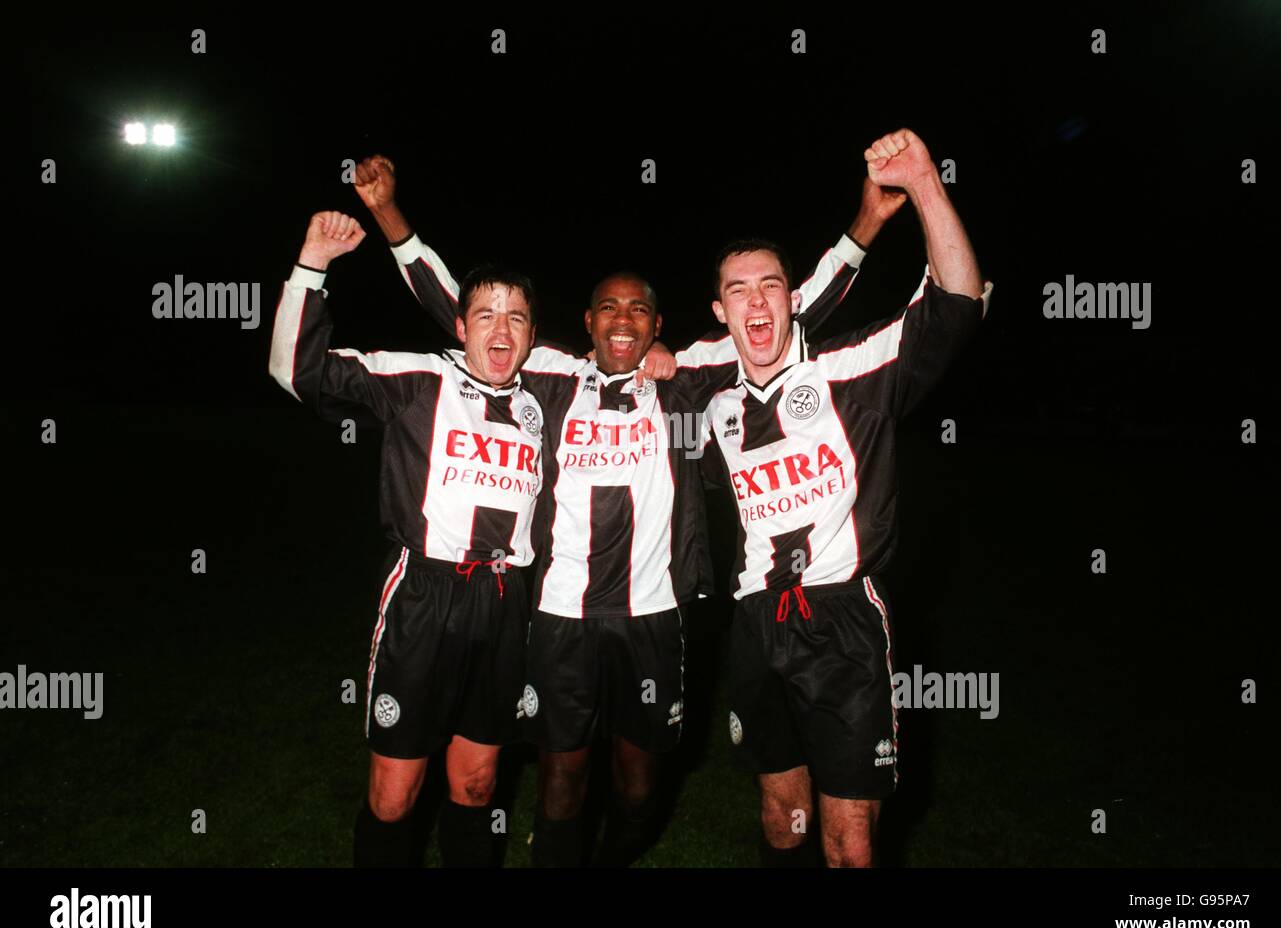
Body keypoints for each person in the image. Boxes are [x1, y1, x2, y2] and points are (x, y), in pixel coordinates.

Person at [352, 155, 898, 865]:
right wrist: (390, 214)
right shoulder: (551, 378)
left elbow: (787, 311)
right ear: (586, 321)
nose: (622, 318)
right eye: (608, 306)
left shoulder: (680, 383)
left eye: (638, 307)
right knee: (560, 782)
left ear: (657, 323)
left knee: (639, 789)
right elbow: (461, 302)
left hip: (653, 617)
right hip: (559, 621)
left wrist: (865, 225)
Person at [674, 129, 992, 866]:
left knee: (851, 845)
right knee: (782, 819)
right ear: (721, 313)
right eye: (737, 290)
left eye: (771, 286)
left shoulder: (851, 372)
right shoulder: (711, 398)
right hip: (756, 620)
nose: (756, 301)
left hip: (844, 622)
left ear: (794, 302)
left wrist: (922, 184)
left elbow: (956, 304)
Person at [269, 210, 546, 867]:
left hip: (506, 605)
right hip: (424, 600)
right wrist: (311, 264)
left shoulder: (547, 400)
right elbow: (295, 372)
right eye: (484, 314)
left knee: (477, 785)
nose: (500, 329)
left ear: (533, 336)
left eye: (515, 317)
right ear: (459, 325)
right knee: (396, 793)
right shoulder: (420, 378)